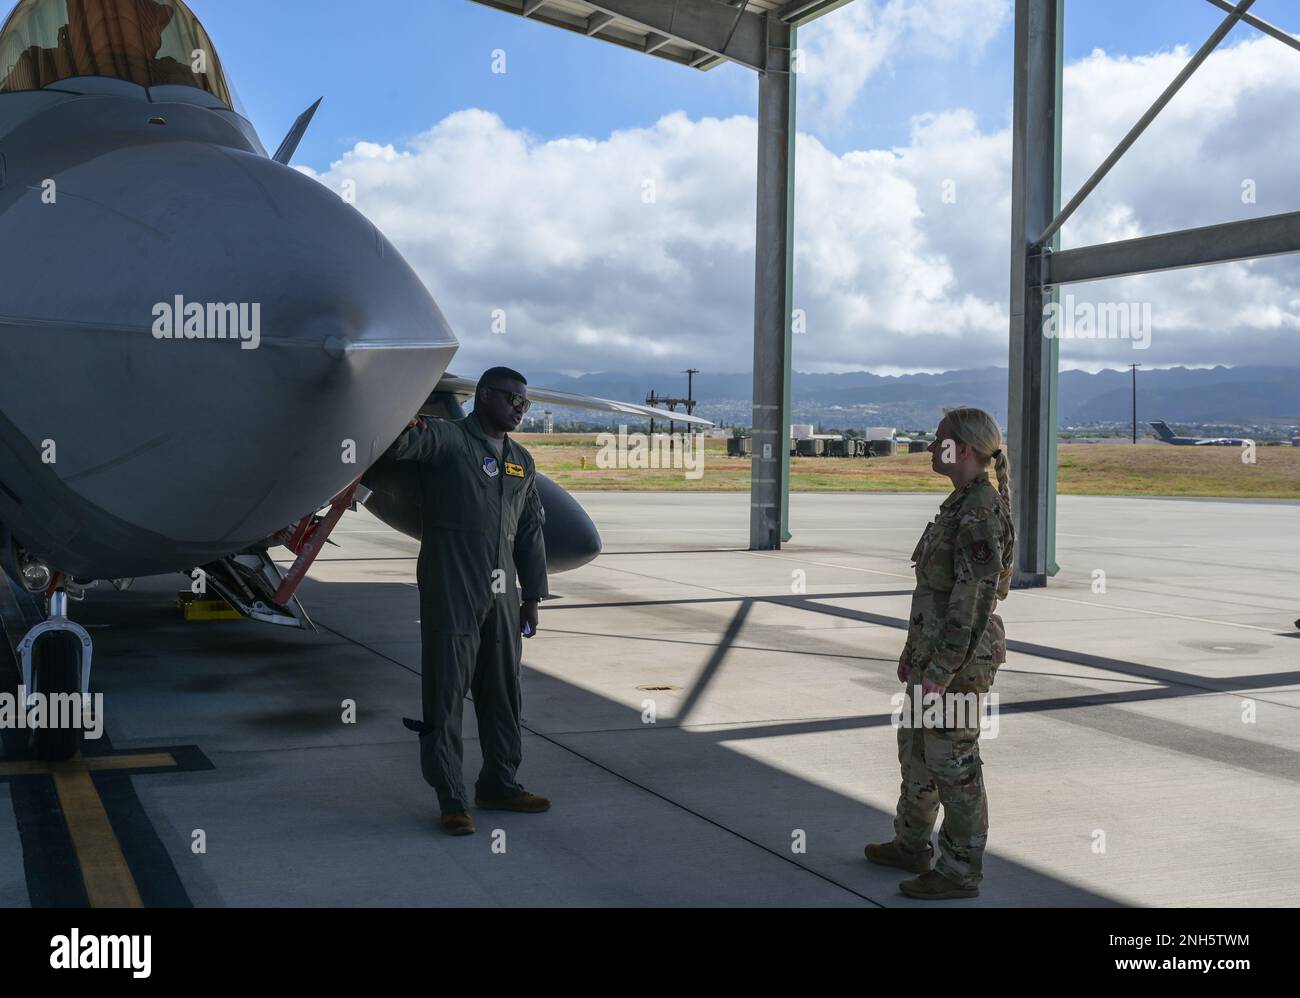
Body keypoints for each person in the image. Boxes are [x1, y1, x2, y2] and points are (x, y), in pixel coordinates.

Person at [386, 367, 549, 836]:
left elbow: (531, 530)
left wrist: (532, 595)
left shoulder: (520, 460)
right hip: (451, 589)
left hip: (503, 597)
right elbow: (399, 444)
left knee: (503, 693)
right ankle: (452, 799)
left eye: (525, 402)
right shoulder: (447, 439)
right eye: (511, 399)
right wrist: (397, 408)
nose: (519, 408)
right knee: (446, 694)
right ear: (482, 395)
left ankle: (499, 783)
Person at [865, 407, 1015, 899]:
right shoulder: (959, 504)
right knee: (917, 753)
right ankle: (911, 844)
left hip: (959, 664)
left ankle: (960, 871)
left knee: (953, 762)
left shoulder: (979, 510)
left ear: (964, 449)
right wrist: (914, 652)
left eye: (938, 441)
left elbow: (973, 600)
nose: (931, 448)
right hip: (934, 656)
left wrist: (943, 669)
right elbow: (933, 593)